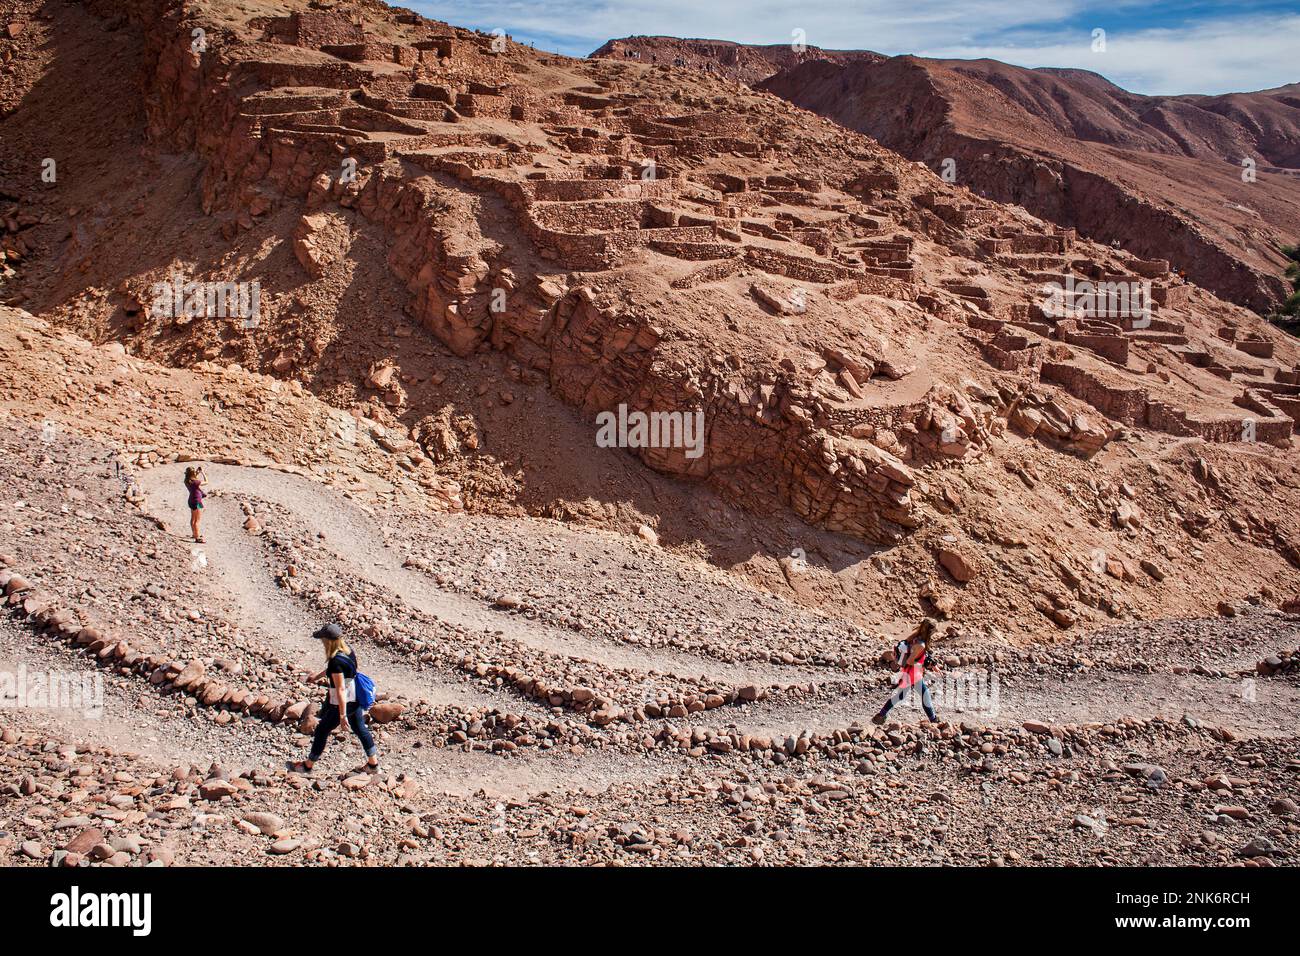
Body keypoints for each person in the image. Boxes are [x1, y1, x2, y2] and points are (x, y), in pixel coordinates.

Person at [288, 624, 379, 773]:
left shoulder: (335, 662)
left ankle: (307, 766)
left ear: (328, 641)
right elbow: (342, 671)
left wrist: (342, 715)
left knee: (322, 731)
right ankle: (373, 765)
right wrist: (318, 676)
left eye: (323, 639)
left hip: (343, 702)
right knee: (360, 728)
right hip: (354, 696)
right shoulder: (347, 650)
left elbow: (340, 689)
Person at [872, 618, 940, 724]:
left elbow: (920, 655)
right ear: (930, 632)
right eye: (934, 631)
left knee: (901, 695)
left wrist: (933, 664)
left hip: (910, 671)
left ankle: (881, 715)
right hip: (913, 672)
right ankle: (933, 720)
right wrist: (924, 665)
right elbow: (910, 660)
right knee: (924, 693)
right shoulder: (921, 645)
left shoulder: (915, 636)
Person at [183, 466, 206, 543]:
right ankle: (197, 537)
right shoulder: (195, 482)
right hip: (198, 502)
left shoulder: (186, 481)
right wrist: (203, 473)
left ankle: (194, 534)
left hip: (191, 500)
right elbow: (206, 481)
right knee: (197, 520)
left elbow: (193, 478)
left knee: (193, 518)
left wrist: (197, 473)